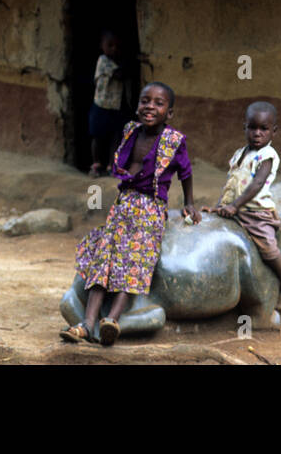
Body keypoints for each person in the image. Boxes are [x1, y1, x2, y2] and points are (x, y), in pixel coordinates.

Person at [61, 82, 199, 346]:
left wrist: (190, 202)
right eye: (145, 101)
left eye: (159, 103)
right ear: (137, 106)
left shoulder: (173, 140)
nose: (150, 107)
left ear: (169, 113)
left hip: (150, 210)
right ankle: (87, 324)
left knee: (135, 263)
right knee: (103, 259)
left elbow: (186, 173)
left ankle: (111, 320)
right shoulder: (129, 131)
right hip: (122, 206)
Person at [203, 101, 281, 311]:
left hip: (256, 213)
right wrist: (220, 206)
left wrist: (235, 206)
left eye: (264, 129)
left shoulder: (268, 156)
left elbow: (257, 183)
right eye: (252, 128)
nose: (257, 133)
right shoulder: (238, 154)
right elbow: (232, 183)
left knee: (268, 249)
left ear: (274, 131)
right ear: (244, 127)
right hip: (236, 208)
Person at [88, 30, 128, 178]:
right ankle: (96, 165)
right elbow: (120, 74)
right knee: (97, 136)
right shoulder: (103, 61)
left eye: (117, 46)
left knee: (115, 137)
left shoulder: (115, 61)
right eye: (110, 45)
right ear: (101, 46)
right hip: (101, 105)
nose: (114, 49)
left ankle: (112, 166)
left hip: (115, 106)